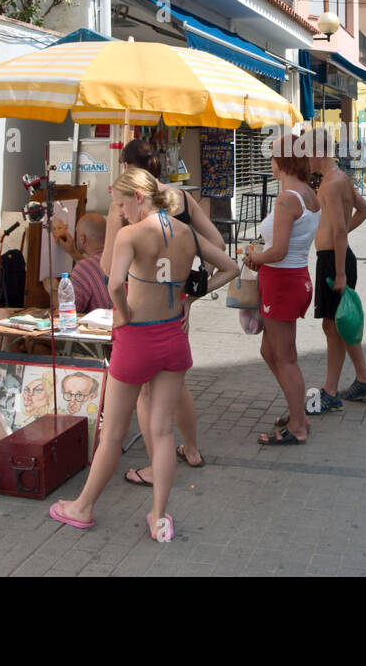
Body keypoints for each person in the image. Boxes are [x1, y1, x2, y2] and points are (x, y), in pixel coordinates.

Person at [51, 169, 238, 540]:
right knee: (162, 432)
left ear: (138, 196)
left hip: (135, 340)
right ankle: (159, 517)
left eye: (121, 204)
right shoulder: (185, 233)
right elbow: (231, 266)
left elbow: (114, 282)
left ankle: (83, 506)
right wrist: (192, 297)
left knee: (114, 433)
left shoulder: (130, 234)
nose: (121, 212)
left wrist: (122, 312)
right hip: (172, 338)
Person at [102, 139, 225, 481]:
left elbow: (108, 266)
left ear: (128, 170)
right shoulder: (182, 198)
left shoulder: (123, 209)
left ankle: (157, 465)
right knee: (175, 383)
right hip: (176, 308)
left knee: (144, 389)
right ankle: (192, 447)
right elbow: (218, 245)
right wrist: (191, 292)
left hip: (140, 310)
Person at [243, 134, 321, 445]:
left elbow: (278, 251)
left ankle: (299, 425)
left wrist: (254, 258)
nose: (270, 163)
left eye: (273, 157)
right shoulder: (308, 194)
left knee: (285, 356)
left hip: (282, 280)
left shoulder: (288, 198)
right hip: (295, 277)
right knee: (270, 350)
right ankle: (296, 411)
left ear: (282, 161)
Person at [310, 133, 366, 414]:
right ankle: (362, 380)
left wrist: (339, 272)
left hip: (334, 261)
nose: (305, 159)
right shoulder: (340, 179)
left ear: (319, 152)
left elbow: (338, 229)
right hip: (336, 257)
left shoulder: (331, 183)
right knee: (336, 325)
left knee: (334, 327)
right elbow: (364, 209)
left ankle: (331, 391)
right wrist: (341, 236)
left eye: (307, 152)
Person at [52, 213, 113, 313]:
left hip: (100, 327)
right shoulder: (116, 258)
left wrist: (54, 289)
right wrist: (73, 252)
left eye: (76, 233)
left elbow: (68, 312)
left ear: (82, 238)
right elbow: (93, 270)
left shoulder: (83, 268)